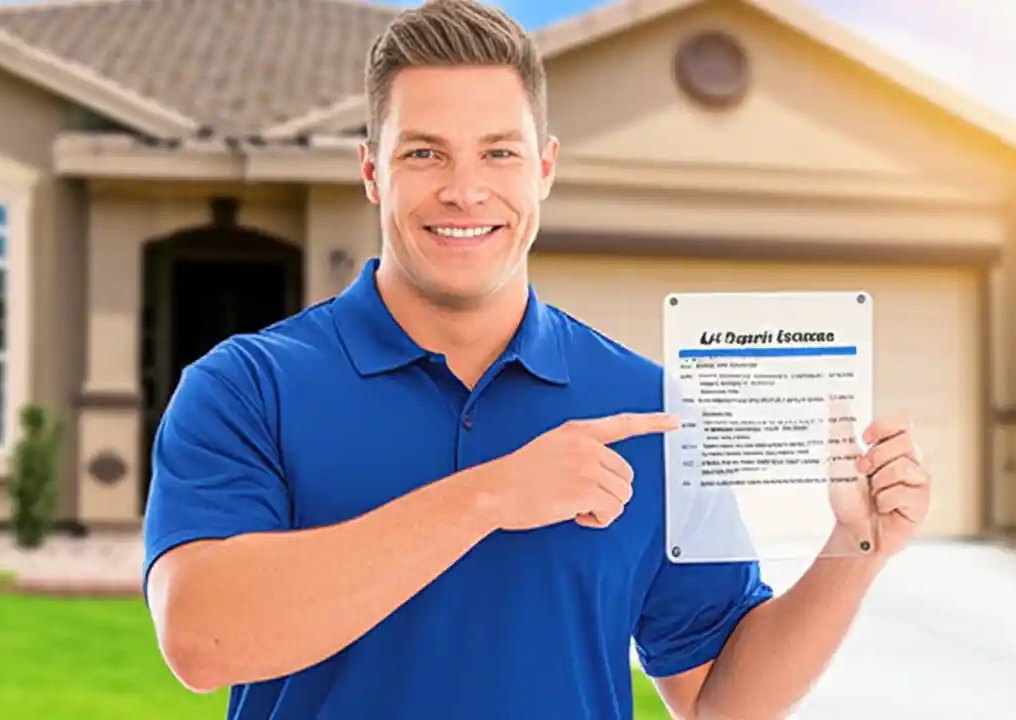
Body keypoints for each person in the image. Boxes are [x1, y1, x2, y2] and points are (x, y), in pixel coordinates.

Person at [142, 1, 932, 718]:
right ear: (371, 171)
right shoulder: (247, 388)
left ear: (544, 167)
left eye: (499, 154)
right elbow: (202, 639)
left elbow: (718, 700)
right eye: (424, 154)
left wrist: (853, 552)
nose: (464, 191)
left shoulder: (649, 408)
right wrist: (491, 495)